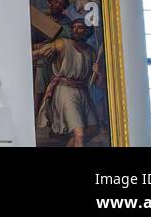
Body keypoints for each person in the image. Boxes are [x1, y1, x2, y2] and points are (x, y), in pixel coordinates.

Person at [33, 19, 100, 147]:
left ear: (87, 31)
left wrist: (98, 73)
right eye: (74, 27)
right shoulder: (62, 44)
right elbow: (40, 53)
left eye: (80, 27)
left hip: (83, 92)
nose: (75, 30)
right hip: (65, 91)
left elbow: (98, 83)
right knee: (79, 134)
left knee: (94, 129)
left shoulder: (91, 51)